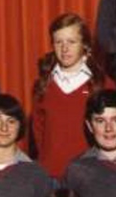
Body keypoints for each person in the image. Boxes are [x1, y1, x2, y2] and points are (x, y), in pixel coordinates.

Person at [31, 13, 109, 180]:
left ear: (85, 45)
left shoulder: (101, 84)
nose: (64, 49)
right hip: (51, 176)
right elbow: (38, 131)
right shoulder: (44, 85)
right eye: (59, 42)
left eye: (71, 42)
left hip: (91, 176)